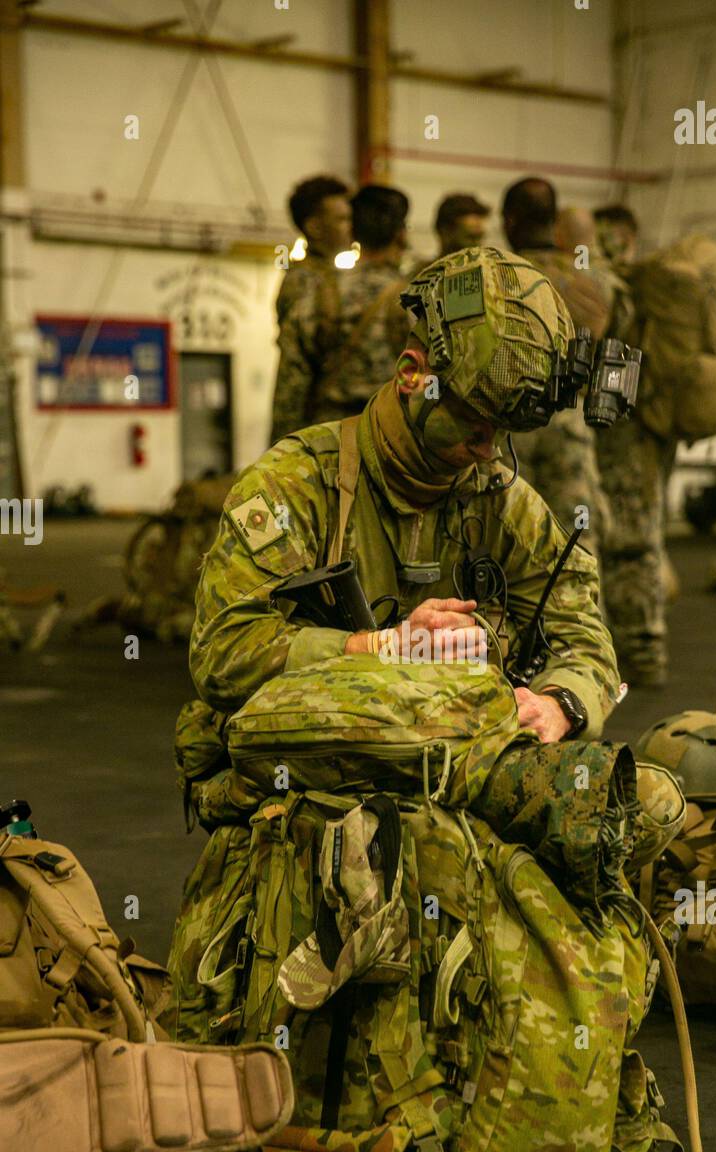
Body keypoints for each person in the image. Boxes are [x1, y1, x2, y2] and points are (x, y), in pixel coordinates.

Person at [190, 247, 643, 897]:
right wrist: (380, 649)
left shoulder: (502, 502)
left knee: (642, 799)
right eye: (474, 421)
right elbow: (221, 652)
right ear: (413, 375)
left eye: (505, 429)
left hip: (464, 764)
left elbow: (582, 632)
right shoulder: (295, 486)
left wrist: (559, 704)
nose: (488, 449)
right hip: (328, 783)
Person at [500, 178, 612, 553]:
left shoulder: (496, 275)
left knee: (509, 538)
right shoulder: (592, 278)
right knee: (578, 539)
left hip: (506, 428)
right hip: (569, 420)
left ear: (510, 221)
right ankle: (582, 610)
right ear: (553, 219)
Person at [592, 203, 676, 687]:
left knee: (627, 541)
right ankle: (643, 650)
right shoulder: (643, 292)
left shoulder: (624, 293)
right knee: (639, 537)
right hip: (641, 432)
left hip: (619, 431)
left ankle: (631, 654)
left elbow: (619, 371)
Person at [269, 184, 411, 439]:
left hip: (331, 441)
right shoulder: (418, 299)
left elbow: (291, 386)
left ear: (355, 231)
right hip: (396, 443)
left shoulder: (318, 295)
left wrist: (280, 452)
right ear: (402, 236)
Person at [270, 175, 352, 444]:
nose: (349, 227)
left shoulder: (332, 277)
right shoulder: (303, 281)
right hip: (318, 433)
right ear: (315, 227)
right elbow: (294, 371)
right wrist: (286, 445)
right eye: (341, 219)